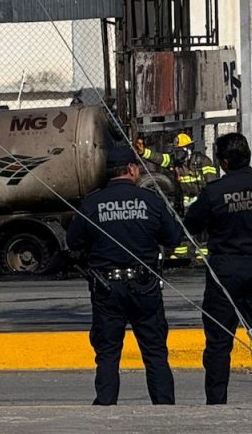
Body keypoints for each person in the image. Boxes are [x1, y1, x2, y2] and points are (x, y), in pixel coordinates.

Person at [66, 145, 183, 406]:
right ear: (131, 169)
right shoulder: (151, 200)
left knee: (108, 353)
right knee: (154, 352)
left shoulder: (92, 203)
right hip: (145, 285)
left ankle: (106, 406)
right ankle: (164, 408)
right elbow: (174, 237)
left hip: (107, 288)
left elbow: (73, 243)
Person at [183, 132, 252, 405]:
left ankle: (217, 401)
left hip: (225, 272)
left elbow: (192, 224)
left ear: (224, 162)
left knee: (219, 341)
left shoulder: (214, 192)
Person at [137, 132, 217, 258]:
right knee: (183, 230)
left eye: (178, 150)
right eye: (175, 150)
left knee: (202, 233)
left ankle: (202, 257)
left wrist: (208, 203)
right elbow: (160, 158)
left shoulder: (203, 162)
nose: (176, 154)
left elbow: (212, 183)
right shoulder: (176, 162)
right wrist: (143, 152)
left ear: (187, 149)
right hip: (184, 205)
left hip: (201, 204)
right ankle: (181, 256)